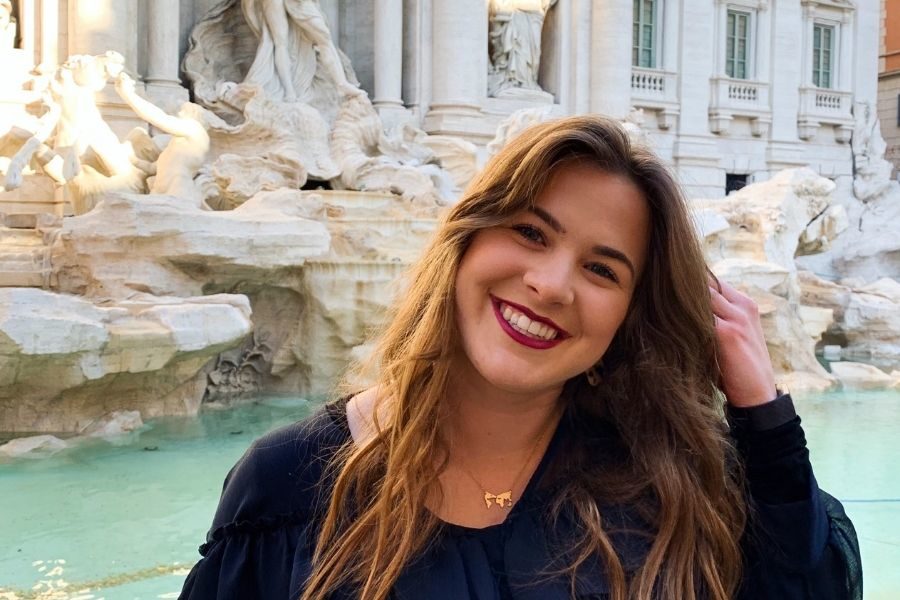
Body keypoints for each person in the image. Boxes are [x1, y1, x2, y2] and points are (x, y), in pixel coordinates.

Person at [178, 116, 860, 600]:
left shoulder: (668, 488)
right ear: (467, 241)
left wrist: (761, 412)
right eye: (531, 232)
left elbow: (806, 580)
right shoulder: (285, 486)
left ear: (627, 319)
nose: (551, 283)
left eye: (602, 270)